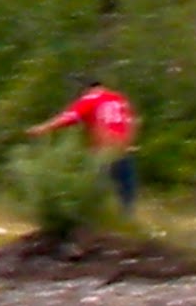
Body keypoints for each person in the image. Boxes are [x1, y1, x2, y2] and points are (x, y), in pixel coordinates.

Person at [27, 79, 139, 212]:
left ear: (88, 90)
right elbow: (133, 122)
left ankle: (91, 216)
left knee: (93, 187)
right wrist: (128, 143)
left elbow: (68, 117)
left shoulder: (89, 99)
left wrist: (43, 128)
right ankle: (125, 217)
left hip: (103, 150)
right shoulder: (119, 99)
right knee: (126, 189)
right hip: (122, 149)